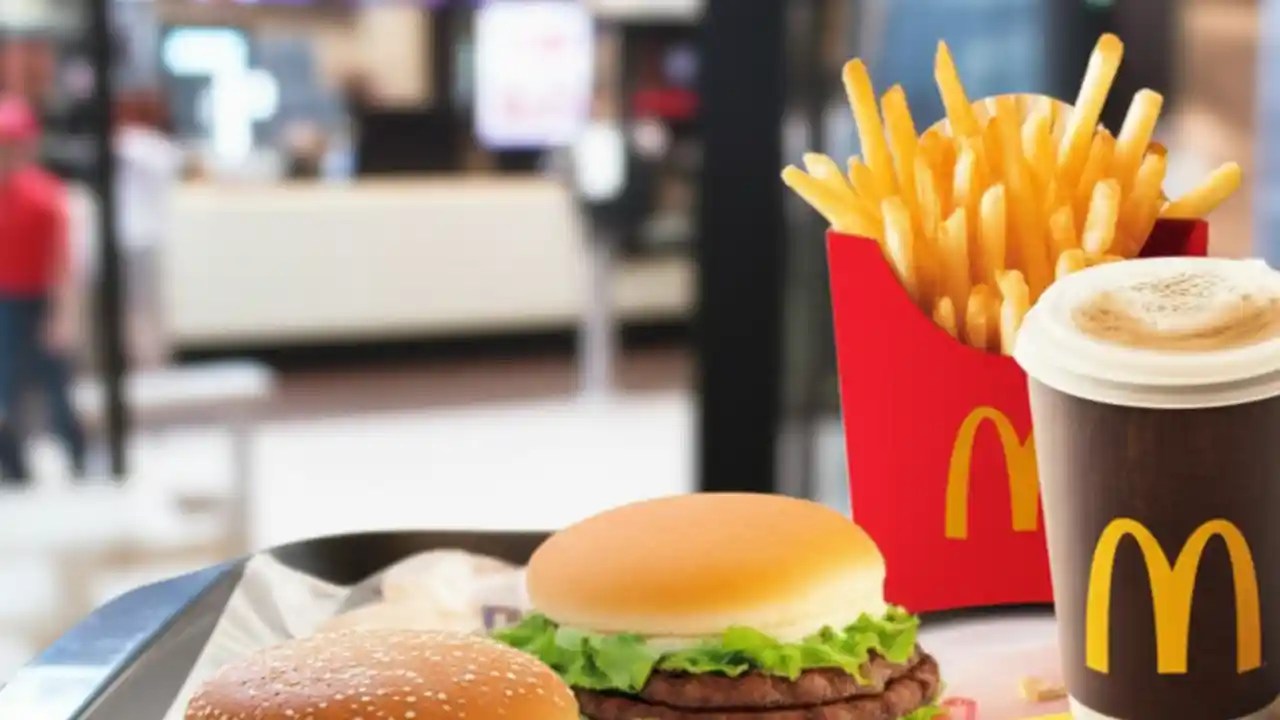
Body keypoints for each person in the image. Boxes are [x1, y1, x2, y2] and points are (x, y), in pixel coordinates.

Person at [0, 96, 87, 484]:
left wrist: (62, 315)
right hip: (6, 303)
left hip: (40, 299)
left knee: (57, 387)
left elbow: (62, 263)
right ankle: (13, 465)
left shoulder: (45, 196)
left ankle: (77, 456)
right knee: (7, 389)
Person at [115, 90, 182, 367]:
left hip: (135, 239)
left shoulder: (136, 144)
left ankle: (147, 362)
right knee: (145, 307)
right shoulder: (164, 149)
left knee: (139, 308)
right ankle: (149, 361)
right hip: (144, 238)